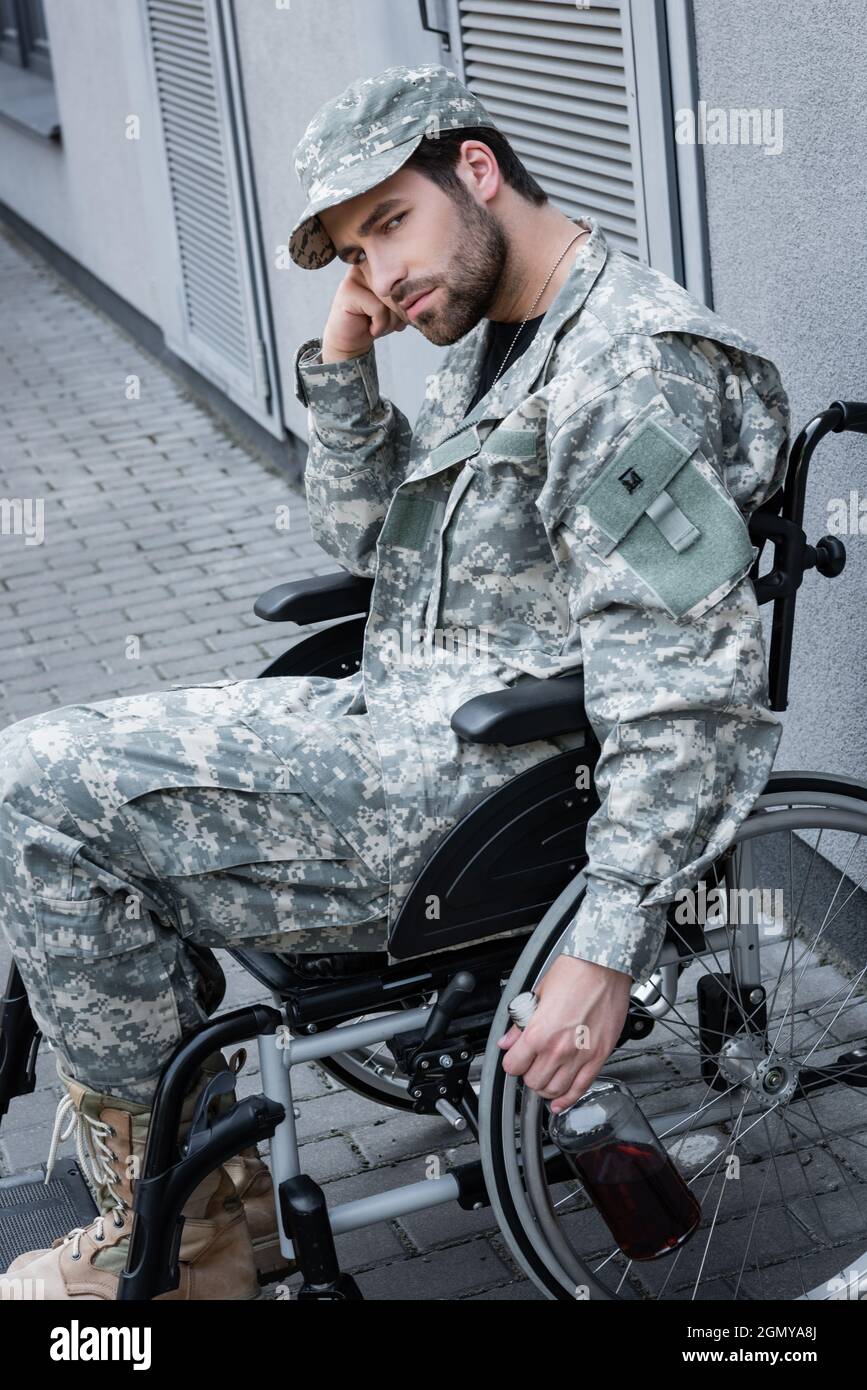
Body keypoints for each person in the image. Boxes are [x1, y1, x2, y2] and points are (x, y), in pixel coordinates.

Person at [0, 62, 789, 1299]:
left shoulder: (630, 369)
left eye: (389, 225)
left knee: (38, 794)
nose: (380, 274)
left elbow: (691, 689)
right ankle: (198, 1184)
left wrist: (608, 943)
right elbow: (372, 546)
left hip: (475, 806)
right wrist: (345, 362)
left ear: (475, 169)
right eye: (354, 254)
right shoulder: (502, 333)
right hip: (403, 728)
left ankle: (189, 1237)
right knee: (56, 754)